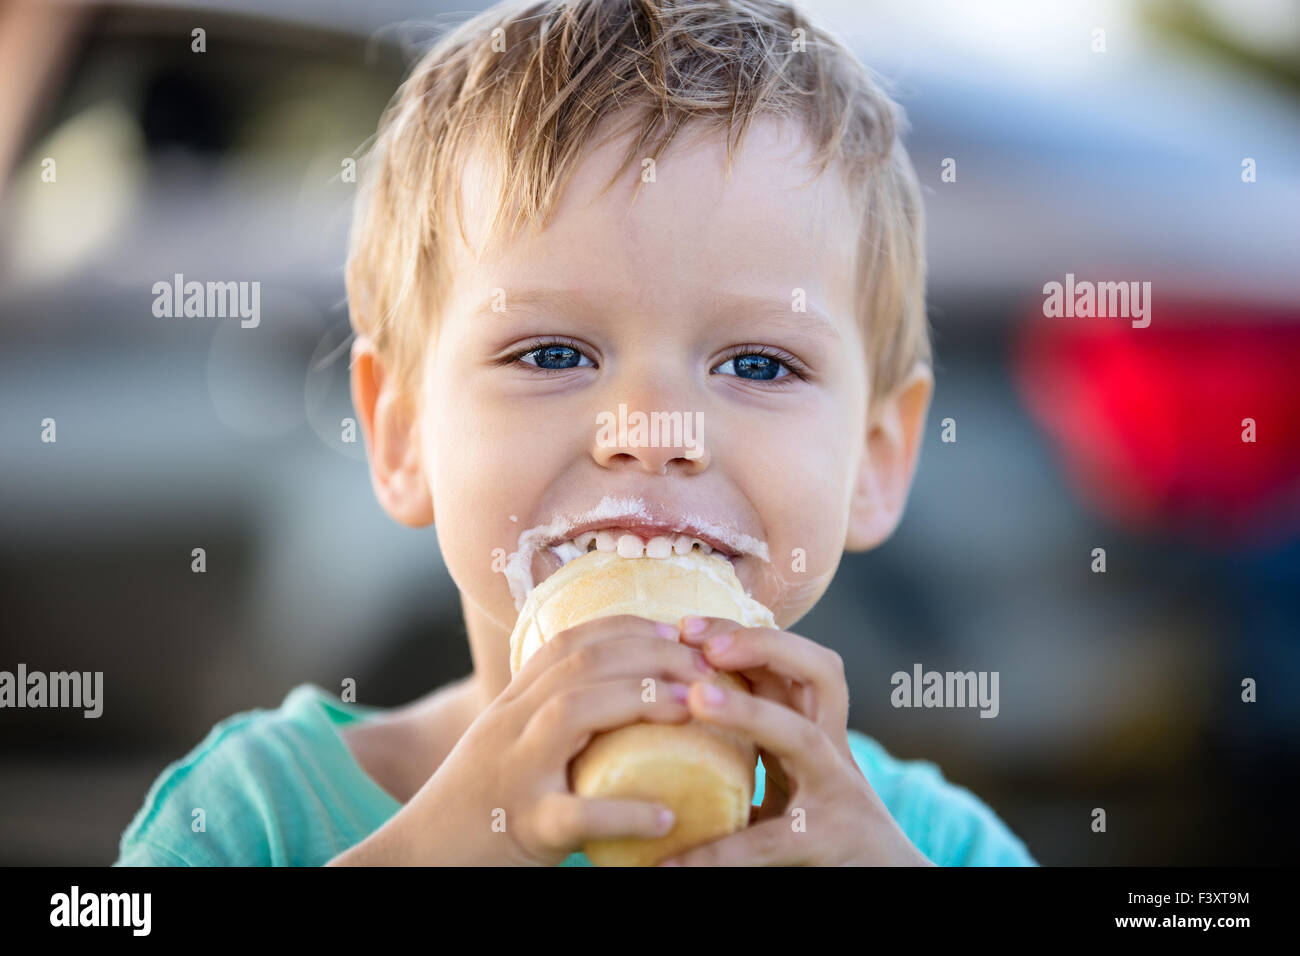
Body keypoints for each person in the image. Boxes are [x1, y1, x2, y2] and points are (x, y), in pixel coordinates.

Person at [116, 0, 1035, 867]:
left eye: (758, 365)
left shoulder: (930, 843)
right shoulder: (256, 818)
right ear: (402, 433)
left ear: (876, 460)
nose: (651, 431)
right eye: (552, 352)